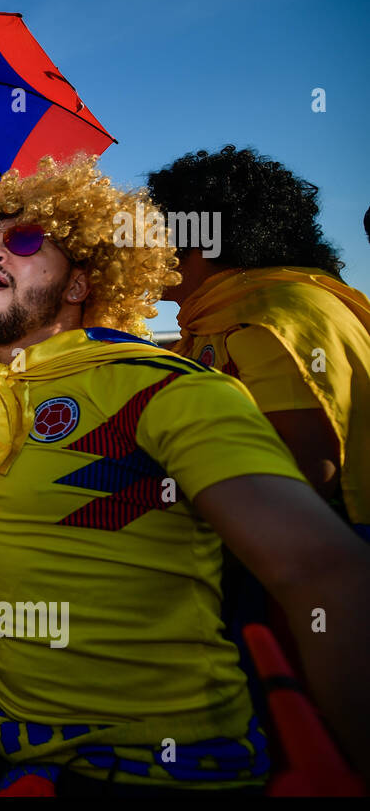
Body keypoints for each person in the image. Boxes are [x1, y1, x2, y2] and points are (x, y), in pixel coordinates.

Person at [0, 155, 370, 793]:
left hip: (154, 772)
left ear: (78, 286)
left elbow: (323, 570)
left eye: (28, 240)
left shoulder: (163, 387)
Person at [148, 145, 370, 540]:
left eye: (153, 229)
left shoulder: (275, 313)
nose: (138, 248)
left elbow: (308, 479)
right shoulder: (224, 312)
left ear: (195, 237)